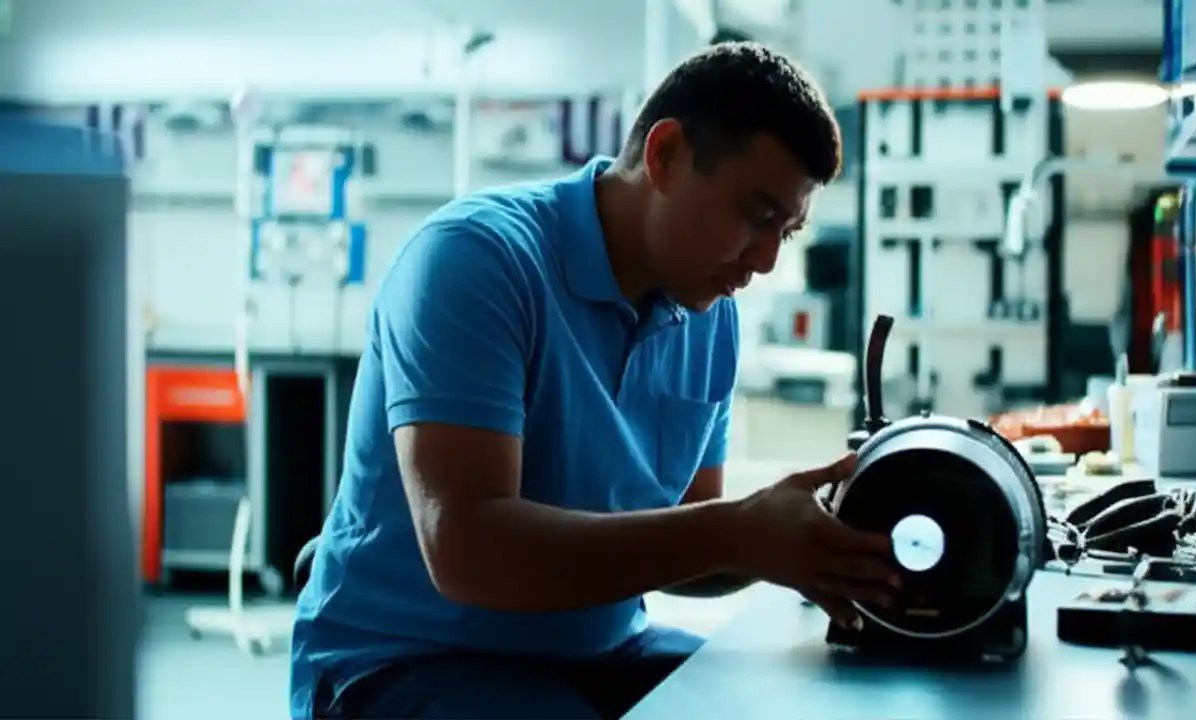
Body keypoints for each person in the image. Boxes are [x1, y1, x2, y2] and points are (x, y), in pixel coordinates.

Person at [290, 41, 900, 720]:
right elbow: (468, 553)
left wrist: (810, 544)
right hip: (407, 658)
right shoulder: (477, 261)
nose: (761, 261)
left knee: (801, 706)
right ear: (664, 155)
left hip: (600, 654)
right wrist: (736, 532)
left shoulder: (709, 315)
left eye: (784, 233)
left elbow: (685, 548)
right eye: (755, 216)